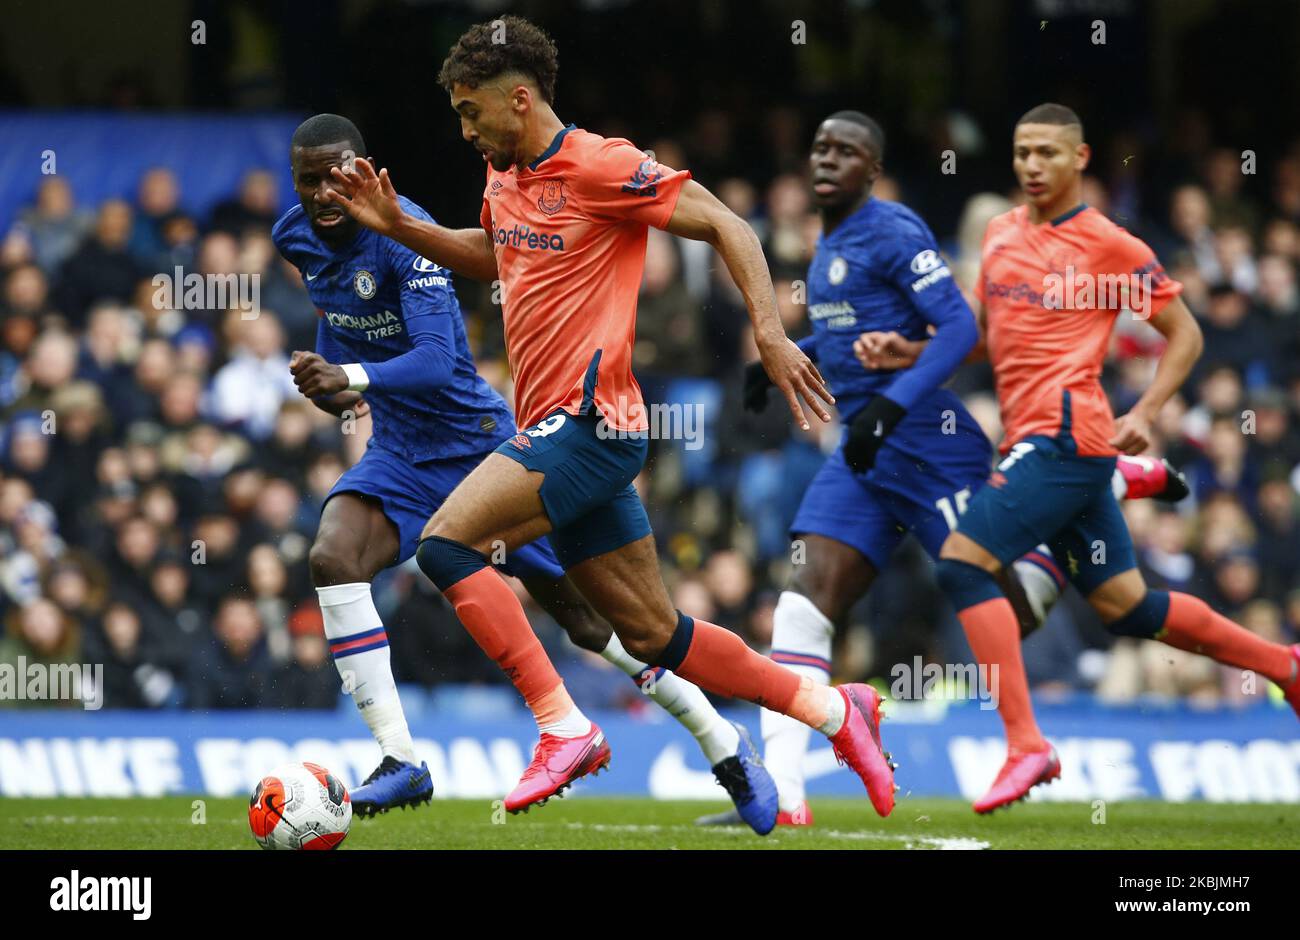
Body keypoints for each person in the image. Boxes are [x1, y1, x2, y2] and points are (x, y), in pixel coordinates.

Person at [324, 16, 897, 828]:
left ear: (519, 99)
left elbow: (728, 224)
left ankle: (563, 728)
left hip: (593, 421)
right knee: (658, 635)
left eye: (471, 110)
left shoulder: (602, 163)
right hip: (563, 430)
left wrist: (769, 331)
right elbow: (495, 256)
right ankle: (837, 711)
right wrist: (400, 227)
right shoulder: (505, 175)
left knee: (444, 543)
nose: (464, 128)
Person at [274, 113, 774, 831]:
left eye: (338, 174)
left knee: (592, 621)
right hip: (400, 451)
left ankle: (725, 746)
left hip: (480, 447)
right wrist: (336, 382)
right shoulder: (293, 234)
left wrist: (352, 371)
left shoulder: (405, 235)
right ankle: (399, 758)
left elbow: (437, 362)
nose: (325, 192)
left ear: (365, 166)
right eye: (309, 179)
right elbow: (338, 312)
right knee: (332, 556)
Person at [700, 110, 1187, 829]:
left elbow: (957, 326)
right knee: (804, 602)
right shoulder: (828, 238)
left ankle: (1102, 477)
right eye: (821, 148)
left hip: (927, 444)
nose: (828, 160)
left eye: (848, 152)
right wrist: (779, 359)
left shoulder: (893, 230)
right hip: (863, 455)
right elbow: (850, 329)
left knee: (1006, 610)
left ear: (873, 169)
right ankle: (786, 796)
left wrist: (889, 411)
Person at [876, 103, 1300, 813]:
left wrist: (1146, 411)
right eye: (1021, 153)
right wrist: (913, 351)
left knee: (960, 562)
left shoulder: (1110, 245)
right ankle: (1284, 666)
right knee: (1129, 608)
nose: (1032, 165)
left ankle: (1025, 745)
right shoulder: (1000, 235)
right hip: (1047, 444)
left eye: (1046, 152)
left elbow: (1185, 334)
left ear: (1080, 159)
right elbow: (983, 339)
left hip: (1066, 438)